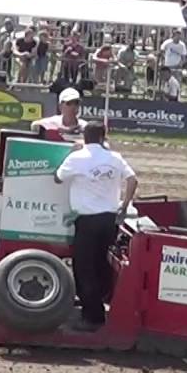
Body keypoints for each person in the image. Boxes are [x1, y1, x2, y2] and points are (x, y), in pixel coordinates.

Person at [55, 121, 138, 331]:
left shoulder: (77, 158)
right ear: (104, 136)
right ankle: (99, 306)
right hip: (109, 219)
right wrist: (125, 204)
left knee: (84, 268)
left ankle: (92, 317)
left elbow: (58, 177)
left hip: (88, 220)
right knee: (102, 265)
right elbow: (133, 180)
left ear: (85, 136)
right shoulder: (115, 158)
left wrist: (70, 154)